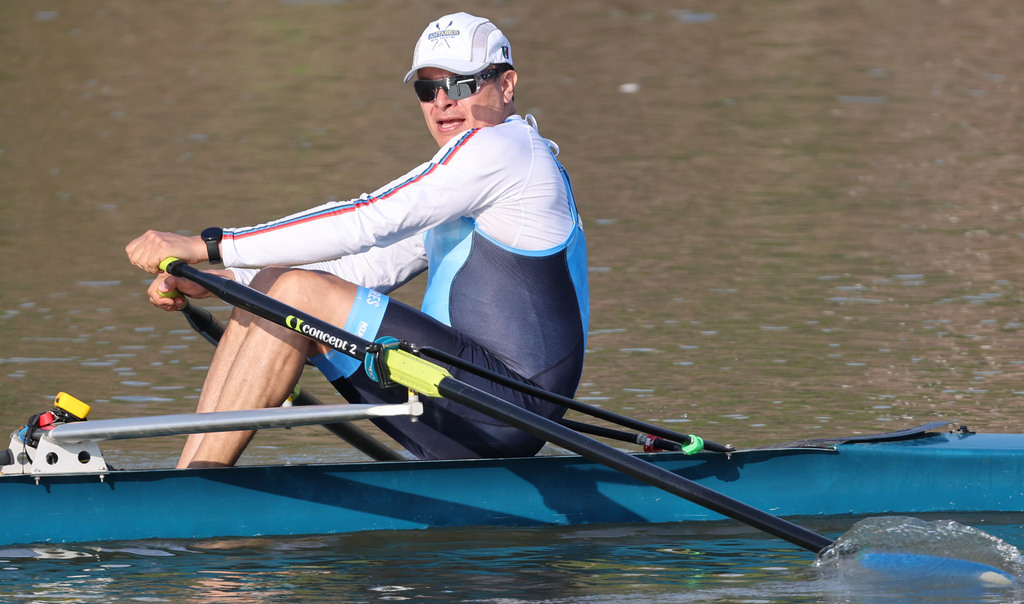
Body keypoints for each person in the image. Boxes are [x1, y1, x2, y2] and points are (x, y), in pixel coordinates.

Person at [125, 12, 589, 467]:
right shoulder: (471, 178)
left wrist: (208, 245)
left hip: (508, 410)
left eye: (462, 84)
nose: (443, 102)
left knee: (296, 291)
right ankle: (193, 473)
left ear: (506, 85)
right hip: (463, 397)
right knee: (271, 286)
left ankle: (201, 487)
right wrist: (229, 280)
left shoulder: (505, 149)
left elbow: (366, 219)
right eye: (428, 89)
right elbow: (370, 264)